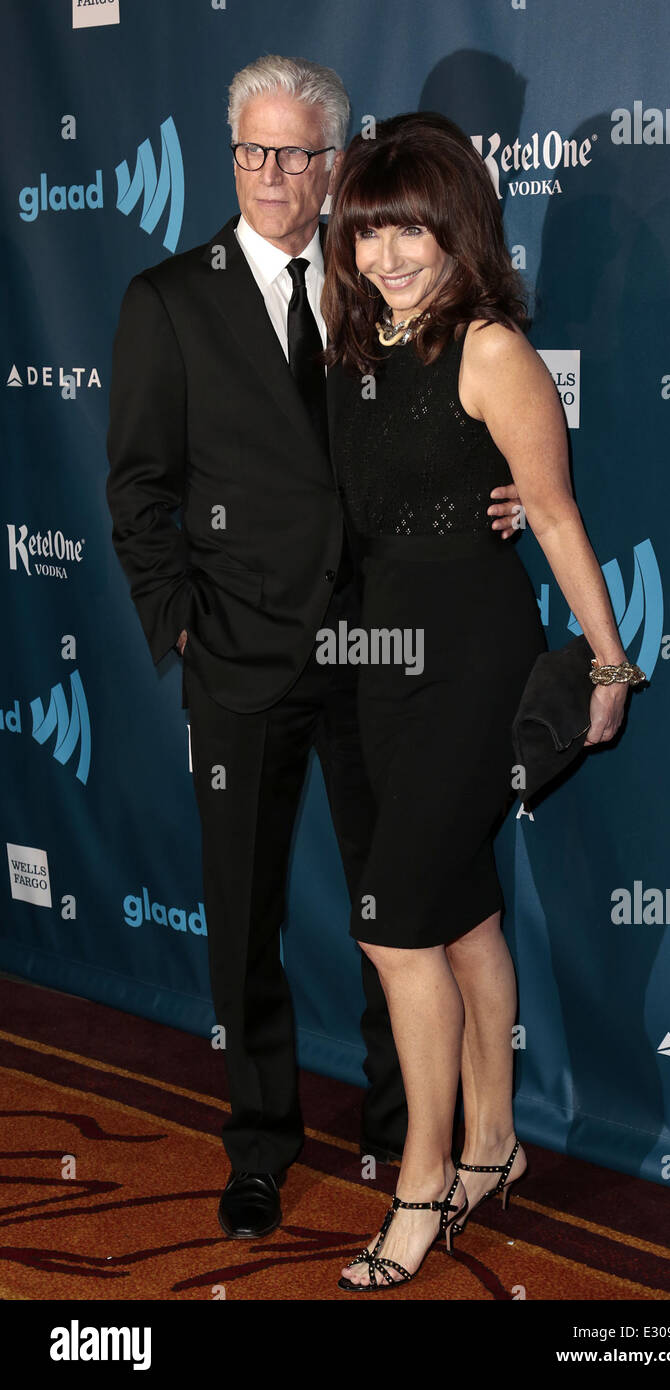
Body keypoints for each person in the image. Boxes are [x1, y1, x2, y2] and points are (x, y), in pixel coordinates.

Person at [105, 58, 525, 1242]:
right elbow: (138, 488)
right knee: (240, 919)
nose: (273, 174)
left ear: (335, 165)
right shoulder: (167, 298)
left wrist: (501, 496)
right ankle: (258, 1142)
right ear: (228, 155)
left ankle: (404, 1129)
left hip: (382, 655)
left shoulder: (378, 289)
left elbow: (452, 427)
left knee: (394, 910)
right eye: (252, 151)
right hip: (238, 661)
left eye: (296, 154)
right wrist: (181, 620)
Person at [321, 111, 644, 1291]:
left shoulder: (490, 348)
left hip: (469, 655)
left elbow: (552, 514)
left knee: (394, 927)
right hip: (380, 654)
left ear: (459, 225)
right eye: (368, 233)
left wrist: (607, 666)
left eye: (411, 229)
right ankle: (495, 1144)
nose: (389, 255)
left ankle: (421, 1184)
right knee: (460, 919)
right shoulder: (353, 345)